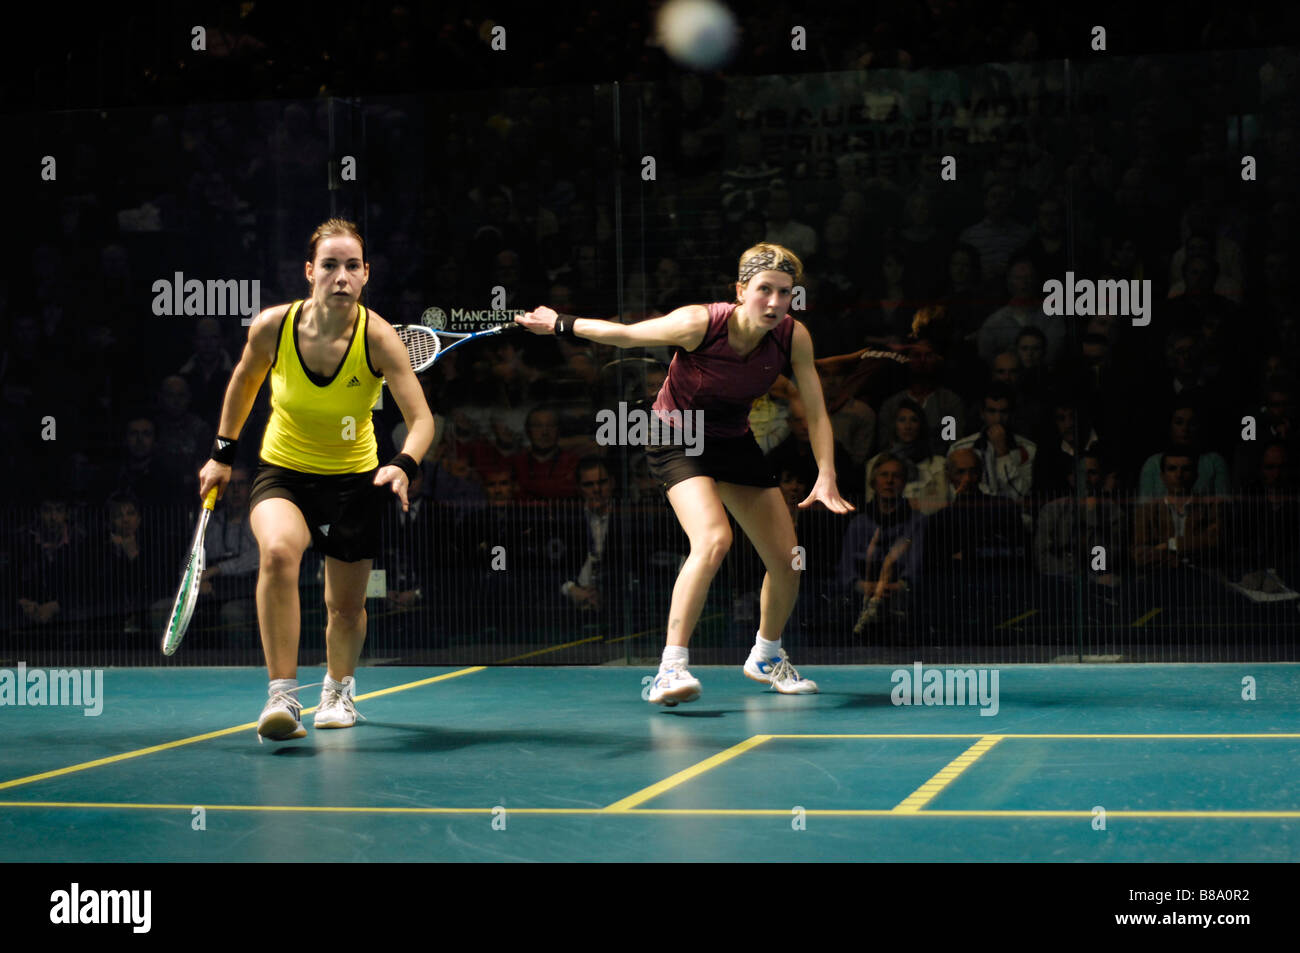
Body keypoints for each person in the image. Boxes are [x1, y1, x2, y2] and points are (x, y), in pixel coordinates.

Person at [518, 243, 853, 705]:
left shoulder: (793, 337)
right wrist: (558, 322)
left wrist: (826, 474)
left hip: (732, 439)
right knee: (714, 539)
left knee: (788, 556)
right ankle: (669, 669)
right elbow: (626, 335)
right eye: (764, 290)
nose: (775, 303)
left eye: (785, 292)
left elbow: (815, 412)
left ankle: (766, 654)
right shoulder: (700, 323)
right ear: (740, 290)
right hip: (677, 434)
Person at [196, 219, 435, 741]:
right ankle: (281, 697)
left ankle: (338, 689)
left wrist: (403, 464)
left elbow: (421, 422)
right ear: (310, 272)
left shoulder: (378, 337)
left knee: (344, 607)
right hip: (283, 472)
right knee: (279, 552)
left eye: (352, 266)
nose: (341, 276)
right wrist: (222, 454)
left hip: (354, 483)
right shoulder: (273, 327)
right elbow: (244, 382)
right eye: (330, 265)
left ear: (366, 274)